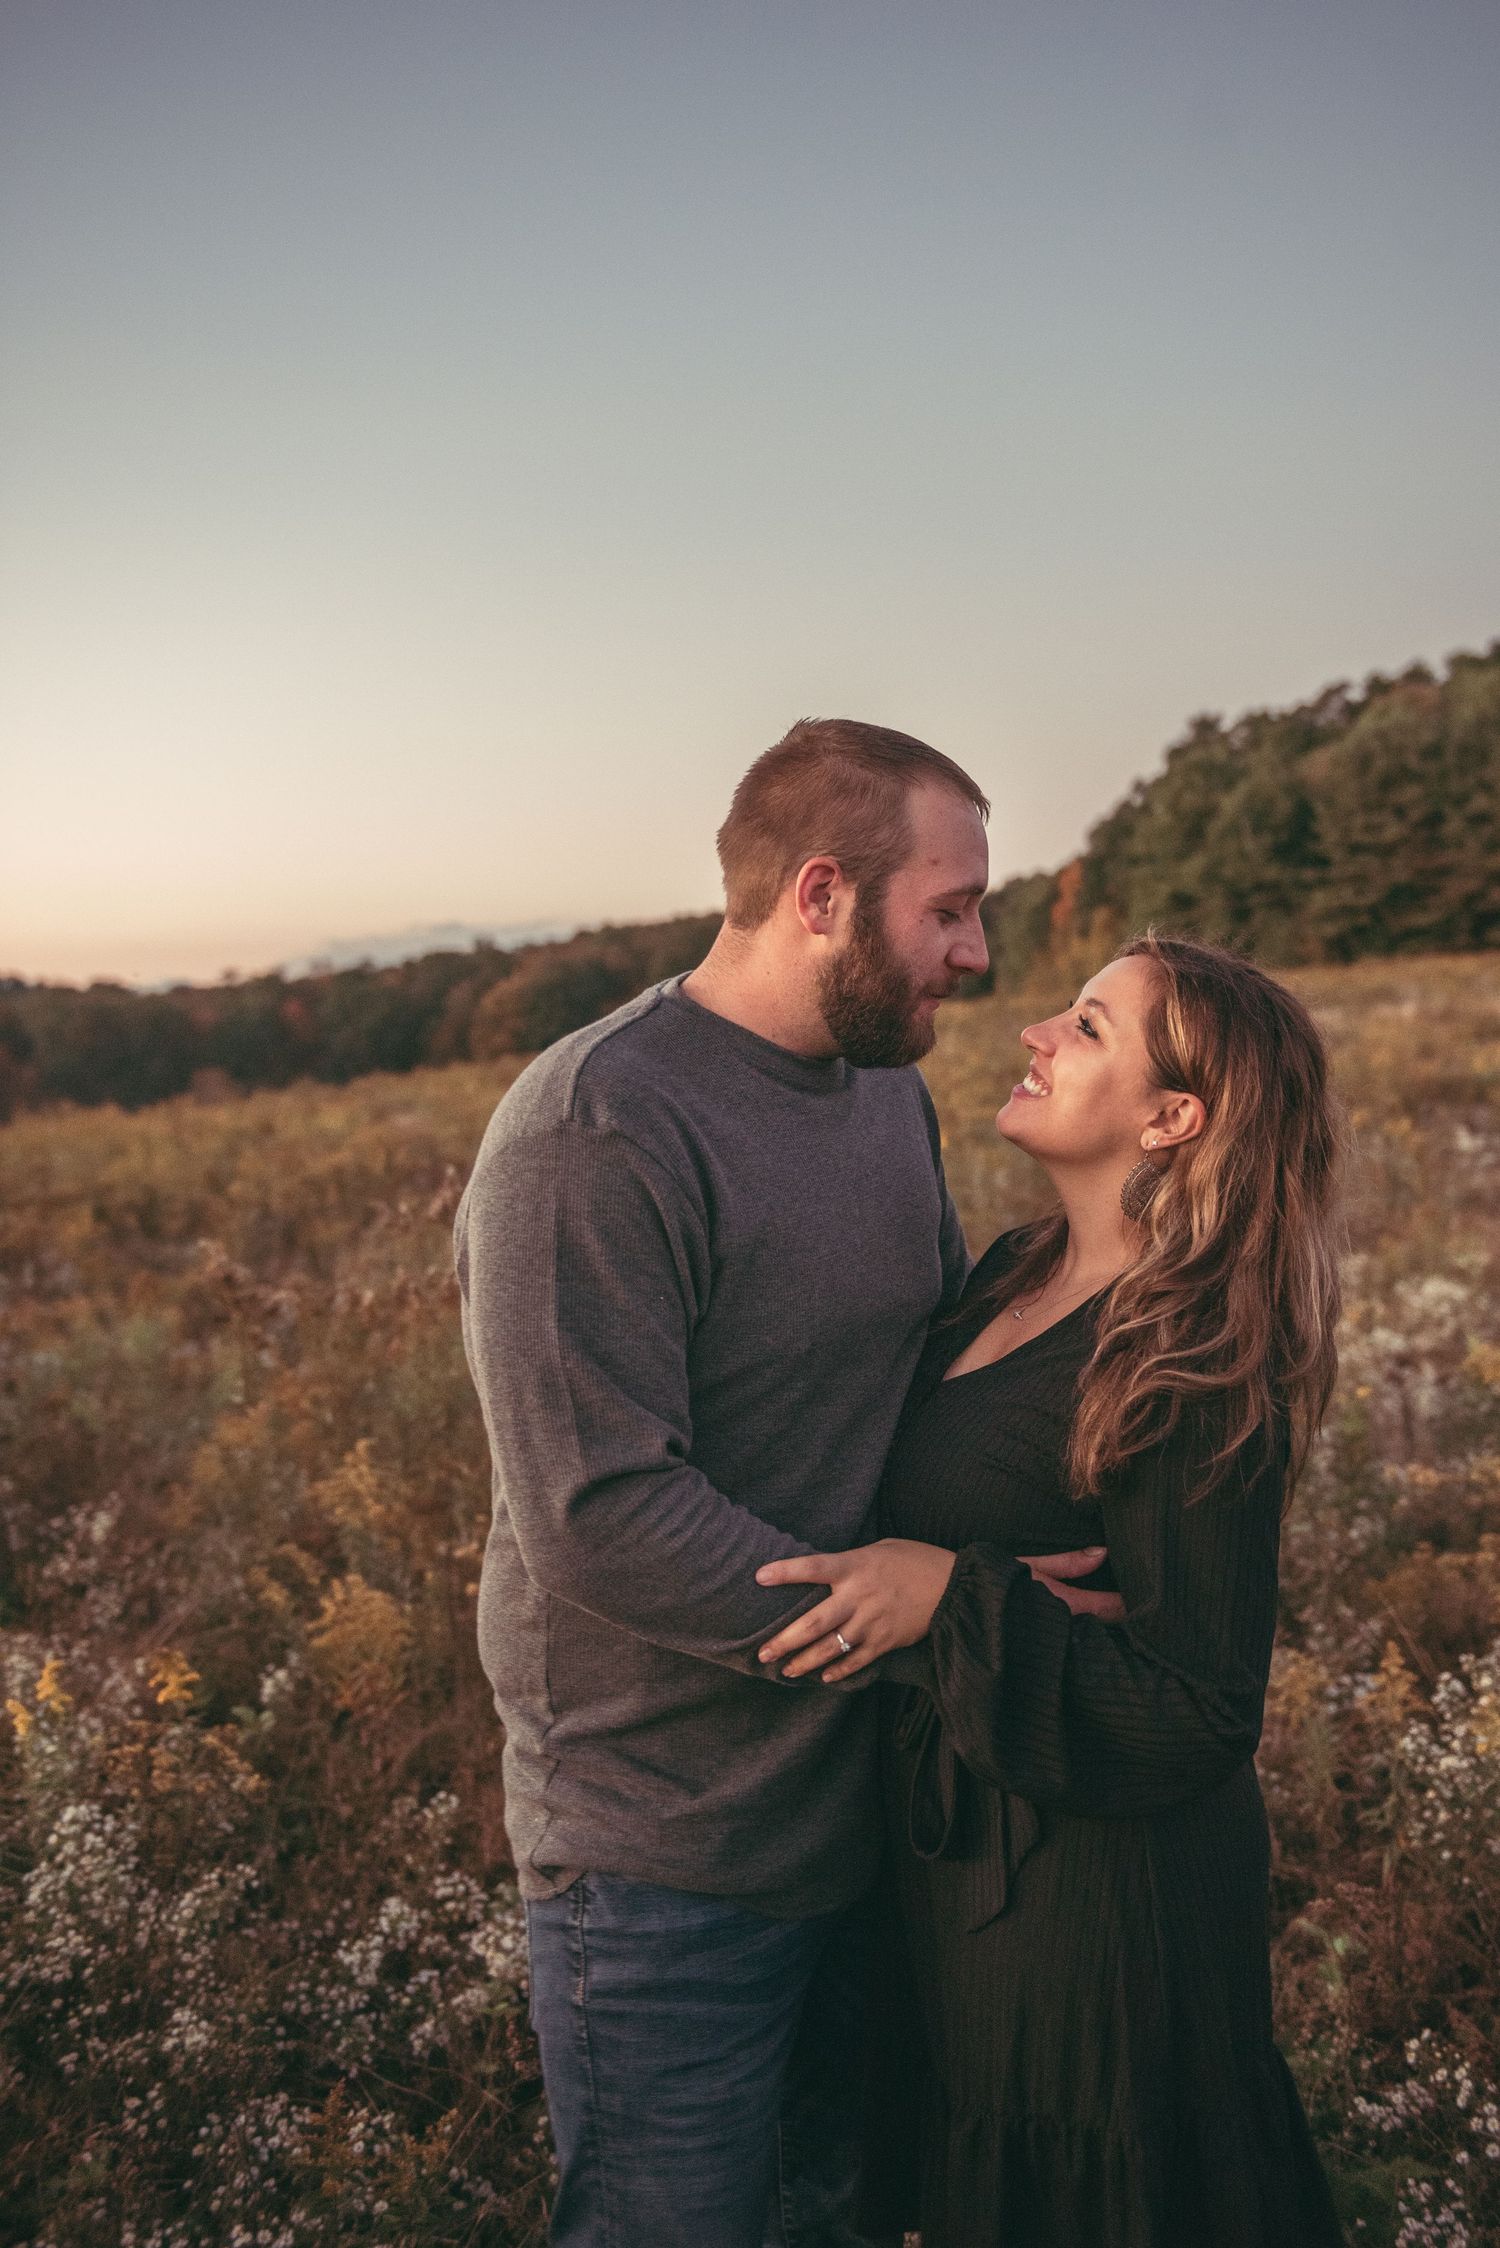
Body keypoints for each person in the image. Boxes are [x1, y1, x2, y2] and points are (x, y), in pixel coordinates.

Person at [454, 717, 1112, 2247]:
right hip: (664, 1857)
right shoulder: (595, 1128)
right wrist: (922, 1620)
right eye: (946, 910)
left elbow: (932, 1379)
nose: (975, 952)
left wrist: (1017, 1577)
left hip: (872, 1817)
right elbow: (599, 1516)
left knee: (844, 2216)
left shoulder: (887, 1088)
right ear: (822, 894)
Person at [756, 932, 1347, 2247]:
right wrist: (977, 1588)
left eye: (1086, 1028)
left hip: (1099, 1929)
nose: (1033, 1033)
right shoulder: (1006, 1280)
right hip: (962, 1892)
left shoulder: (1192, 1349)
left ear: (1171, 1117)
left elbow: (1201, 1707)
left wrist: (947, 1600)